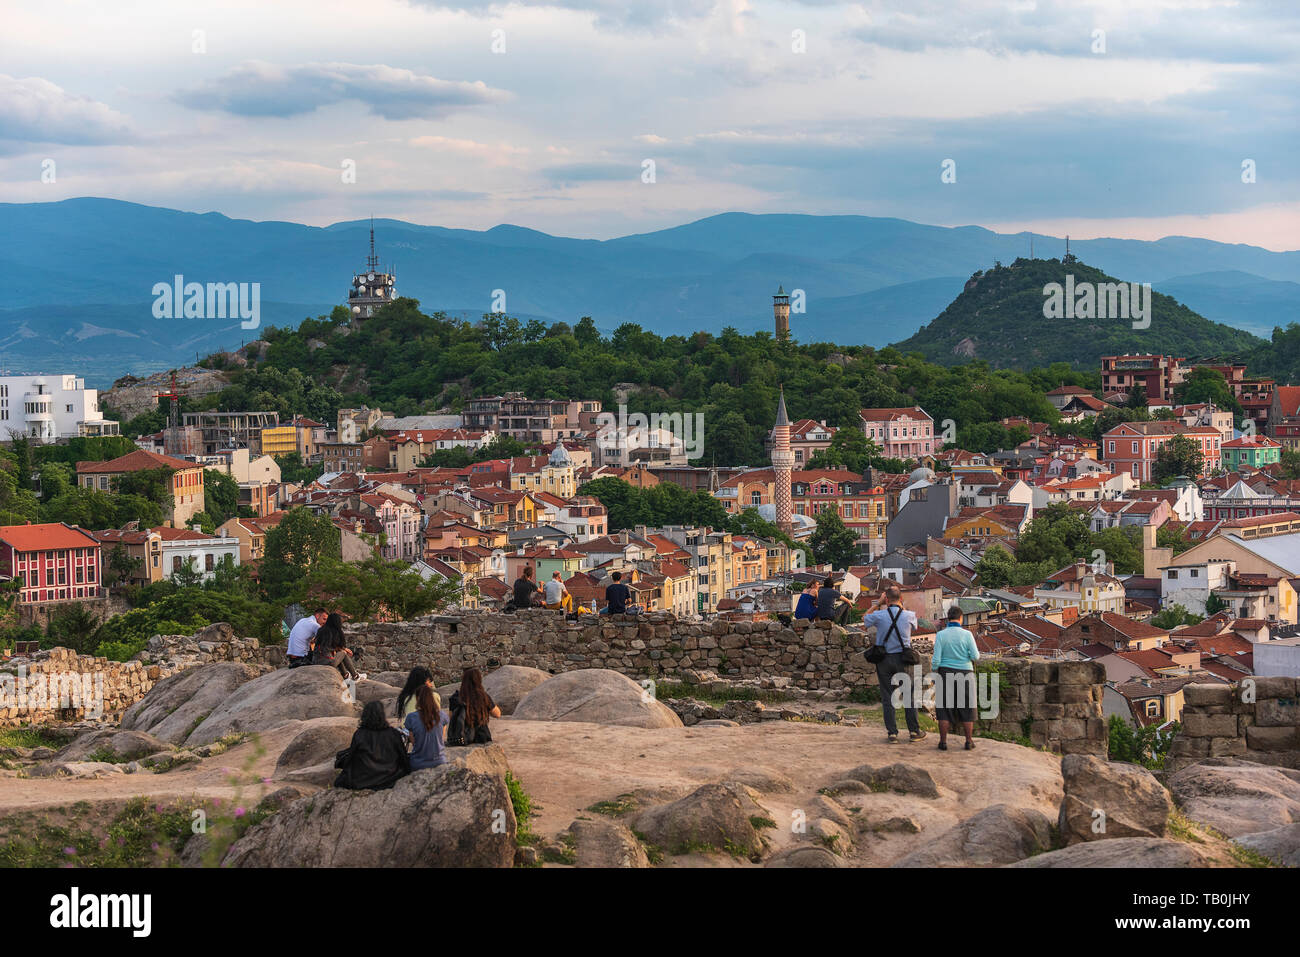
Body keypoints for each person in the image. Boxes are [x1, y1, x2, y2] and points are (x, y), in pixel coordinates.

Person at [862, 585, 931, 744]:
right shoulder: (909, 615)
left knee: (887, 697)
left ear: (886, 599)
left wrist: (877, 604)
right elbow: (915, 626)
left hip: (884, 659)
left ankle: (892, 733)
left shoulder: (879, 615)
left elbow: (865, 619)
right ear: (900, 598)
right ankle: (914, 731)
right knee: (909, 696)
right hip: (903, 660)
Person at [932, 605, 981, 751]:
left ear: (948, 618)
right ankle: (968, 741)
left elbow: (936, 660)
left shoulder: (941, 635)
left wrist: (935, 673)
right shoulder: (967, 635)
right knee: (967, 708)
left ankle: (943, 742)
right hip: (965, 673)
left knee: (944, 710)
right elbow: (975, 656)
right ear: (961, 618)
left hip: (945, 672)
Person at [334, 700, 409, 790]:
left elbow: (351, 758)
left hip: (363, 780)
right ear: (382, 715)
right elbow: (403, 757)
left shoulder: (359, 734)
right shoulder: (393, 733)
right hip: (389, 777)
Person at [447, 667, 501, 746]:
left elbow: (451, 717)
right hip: (481, 736)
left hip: (461, 737)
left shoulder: (456, 697)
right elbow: (497, 714)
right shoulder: (483, 696)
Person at [404, 685, 450, 770]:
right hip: (440, 762)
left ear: (417, 699)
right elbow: (441, 738)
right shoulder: (442, 715)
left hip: (418, 764)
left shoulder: (411, 717)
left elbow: (414, 742)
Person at [312, 612, 365, 681]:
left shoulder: (321, 630)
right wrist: (345, 650)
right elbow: (339, 648)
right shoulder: (336, 632)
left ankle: (345, 674)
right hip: (327, 663)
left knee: (339, 654)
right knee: (342, 653)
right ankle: (354, 675)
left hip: (315, 661)